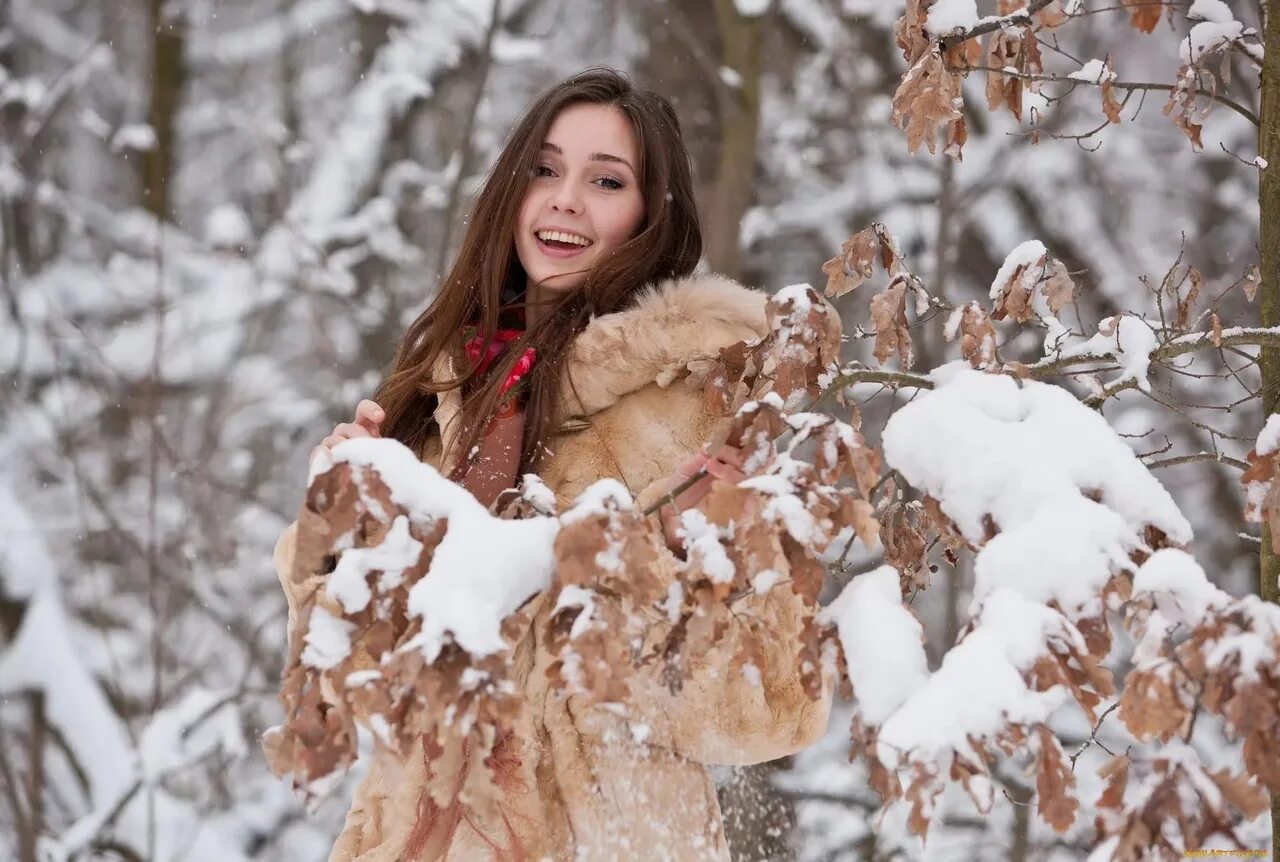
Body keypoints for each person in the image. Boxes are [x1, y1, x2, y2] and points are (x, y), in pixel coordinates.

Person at [273, 67, 832, 861]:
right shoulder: (449, 393)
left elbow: (774, 707)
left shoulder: (696, 405)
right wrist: (343, 530)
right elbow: (361, 689)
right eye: (545, 168)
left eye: (606, 180)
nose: (565, 198)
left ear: (651, 215)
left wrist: (639, 581)